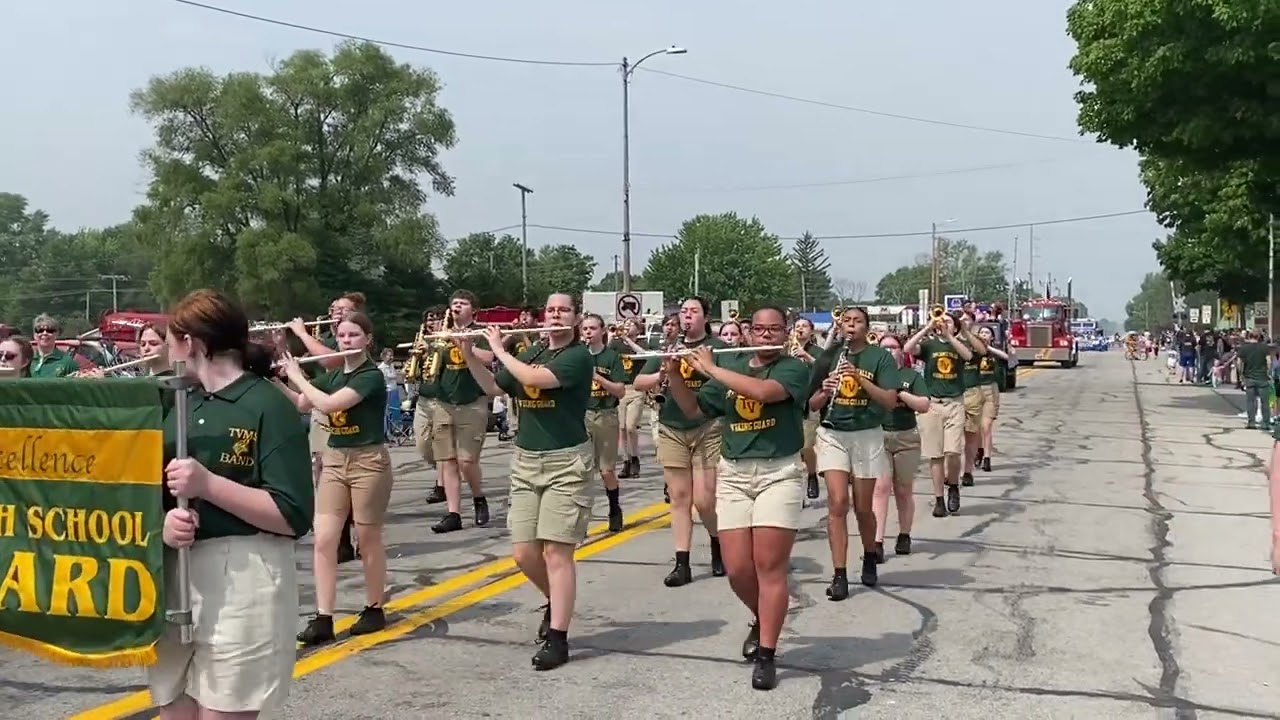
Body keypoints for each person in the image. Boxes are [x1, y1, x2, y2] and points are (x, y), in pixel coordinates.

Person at [149, 289, 313, 720]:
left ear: (192, 344)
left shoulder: (265, 404)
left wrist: (208, 485)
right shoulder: (176, 401)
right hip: (176, 574)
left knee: (224, 710)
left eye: (170, 339)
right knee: (174, 706)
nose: (166, 349)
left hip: (244, 576)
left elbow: (292, 514)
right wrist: (164, 524)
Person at [665, 306, 809, 690]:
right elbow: (694, 409)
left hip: (779, 473)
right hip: (734, 473)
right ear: (748, 332)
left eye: (773, 329)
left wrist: (708, 367)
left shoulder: (793, 368)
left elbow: (763, 392)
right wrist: (674, 373)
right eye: (759, 330)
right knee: (738, 569)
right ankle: (763, 618)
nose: (765, 336)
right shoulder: (735, 366)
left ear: (786, 332)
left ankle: (767, 654)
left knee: (768, 565)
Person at [459, 292, 594, 671]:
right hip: (527, 461)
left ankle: (558, 637)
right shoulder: (533, 350)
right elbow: (493, 387)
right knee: (523, 554)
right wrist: (469, 352)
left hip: (567, 462)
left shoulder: (577, 357)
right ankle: (557, 603)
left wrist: (499, 349)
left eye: (563, 310)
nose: (555, 314)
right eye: (550, 309)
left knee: (556, 552)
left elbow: (535, 380)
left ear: (575, 317)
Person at [276, 313, 393, 646]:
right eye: (341, 335)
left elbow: (326, 404)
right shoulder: (334, 373)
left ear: (367, 339)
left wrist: (299, 375)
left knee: (367, 537)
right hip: (336, 459)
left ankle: (374, 607)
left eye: (354, 335)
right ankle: (323, 615)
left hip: (368, 460)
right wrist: (276, 378)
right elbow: (302, 403)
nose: (346, 340)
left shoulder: (369, 376)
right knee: (324, 538)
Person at [807, 307, 900, 598]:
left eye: (857, 321)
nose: (851, 326)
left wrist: (859, 378)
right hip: (833, 433)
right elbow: (811, 404)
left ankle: (870, 553)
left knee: (863, 508)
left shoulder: (879, 357)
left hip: (866, 434)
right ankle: (839, 574)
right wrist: (825, 389)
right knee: (837, 503)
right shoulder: (829, 356)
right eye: (846, 321)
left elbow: (889, 400)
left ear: (866, 327)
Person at [634, 297, 728, 586]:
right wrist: (662, 372)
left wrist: (696, 364)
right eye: (683, 312)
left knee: (704, 500)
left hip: (708, 426)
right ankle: (682, 562)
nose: (687, 317)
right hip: (672, 426)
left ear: (705, 317)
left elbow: (726, 381)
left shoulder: (719, 349)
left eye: (693, 312)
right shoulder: (668, 346)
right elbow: (639, 382)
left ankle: (717, 542)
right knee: (679, 499)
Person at [429, 290, 492, 533]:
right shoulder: (442, 332)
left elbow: (488, 357)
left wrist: (462, 343)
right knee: (447, 461)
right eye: (454, 303)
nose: (456, 307)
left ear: (473, 310)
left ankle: (478, 497)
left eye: (462, 303)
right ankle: (453, 513)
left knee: (467, 461)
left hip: (472, 401)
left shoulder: (480, 332)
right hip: (444, 402)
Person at [903, 311, 975, 517]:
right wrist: (927, 327)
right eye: (941, 321)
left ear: (955, 326)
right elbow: (908, 348)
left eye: (948, 321)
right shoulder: (929, 345)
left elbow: (968, 356)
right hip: (933, 403)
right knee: (935, 456)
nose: (944, 324)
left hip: (954, 403)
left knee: (953, 452)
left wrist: (950, 335)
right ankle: (939, 499)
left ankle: (953, 485)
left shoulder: (958, 343)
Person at [872, 333, 930, 560]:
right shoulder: (873, 375)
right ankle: (876, 541)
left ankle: (904, 534)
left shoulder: (910, 376)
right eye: (883, 348)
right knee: (881, 488)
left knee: (903, 490)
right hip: (879, 436)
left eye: (893, 347)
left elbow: (924, 404)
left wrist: (901, 394)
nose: (889, 351)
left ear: (901, 351)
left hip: (906, 437)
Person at [581, 314, 628, 531]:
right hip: (582, 415)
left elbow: (620, 390)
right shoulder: (578, 355)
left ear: (602, 331)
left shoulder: (611, 357)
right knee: (581, 470)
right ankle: (581, 517)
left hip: (606, 414)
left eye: (592, 328)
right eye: (585, 329)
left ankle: (614, 507)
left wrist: (598, 378)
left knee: (606, 470)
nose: (588, 332)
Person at [788, 317, 824, 500]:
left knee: (807, 445)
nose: (800, 329)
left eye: (804, 326)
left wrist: (806, 356)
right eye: (797, 326)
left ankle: (812, 475)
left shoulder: (817, 351)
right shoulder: (787, 349)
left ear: (811, 331)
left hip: (809, 402)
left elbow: (825, 369)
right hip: (789, 401)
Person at [611, 319, 650, 479]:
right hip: (621, 389)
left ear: (638, 329)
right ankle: (626, 461)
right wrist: (610, 336)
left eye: (630, 324)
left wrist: (628, 340)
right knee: (621, 428)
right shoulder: (615, 344)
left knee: (631, 426)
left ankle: (635, 458)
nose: (626, 327)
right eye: (625, 324)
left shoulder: (643, 343)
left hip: (636, 389)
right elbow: (604, 354)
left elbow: (644, 355)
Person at [957, 311, 989, 486]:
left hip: (972, 392)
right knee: (951, 437)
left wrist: (967, 332)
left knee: (970, 435)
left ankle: (967, 470)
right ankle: (951, 471)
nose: (963, 321)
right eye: (960, 318)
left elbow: (982, 351)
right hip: (953, 393)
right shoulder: (950, 339)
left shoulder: (975, 340)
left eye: (966, 319)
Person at [974, 325, 1007, 472]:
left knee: (986, 427)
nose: (984, 334)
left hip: (990, 389)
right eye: (981, 332)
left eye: (987, 333)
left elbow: (1007, 357)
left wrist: (988, 348)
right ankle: (979, 451)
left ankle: (987, 458)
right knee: (975, 427)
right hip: (974, 389)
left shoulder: (995, 351)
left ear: (992, 337)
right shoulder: (973, 349)